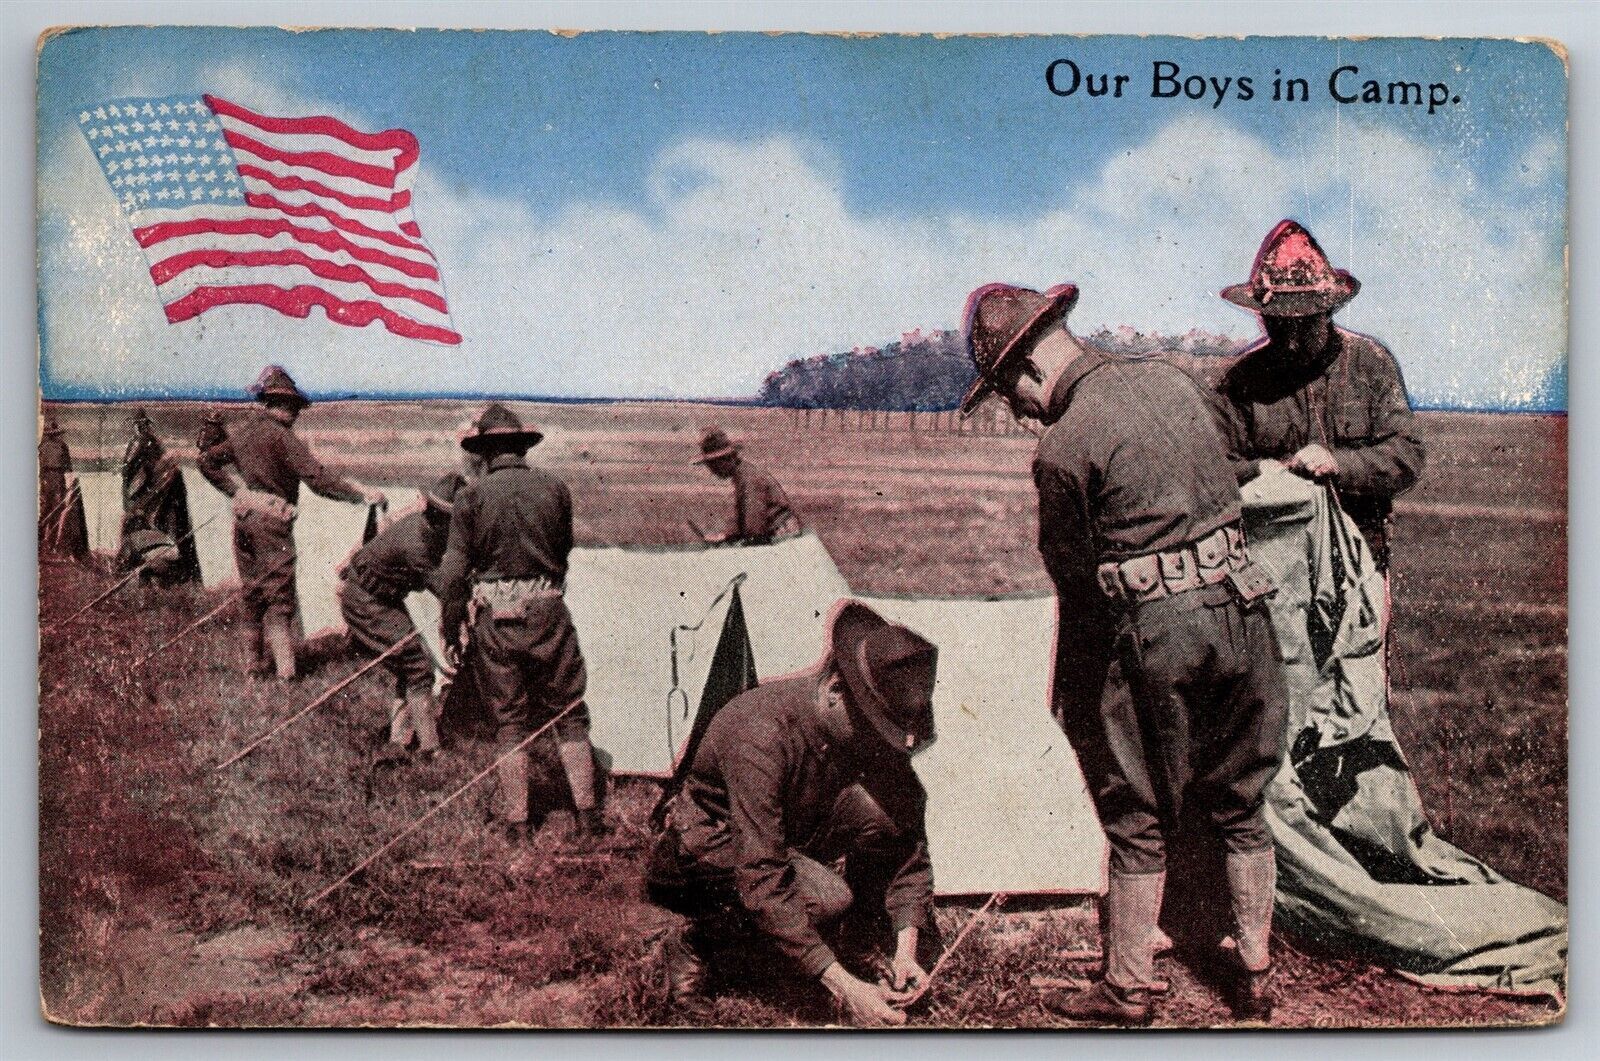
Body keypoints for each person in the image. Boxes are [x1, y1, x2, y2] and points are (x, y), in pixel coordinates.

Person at [959, 282, 1288, 1024]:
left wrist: (1077, 691)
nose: (1014, 412)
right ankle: (1256, 972)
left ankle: (1128, 987)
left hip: (1159, 633)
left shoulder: (1063, 447)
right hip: (1247, 610)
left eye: (1008, 394)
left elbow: (1075, 581)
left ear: (1027, 371)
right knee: (1241, 800)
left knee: (1132, 807)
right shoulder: (1172, 378)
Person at [645, 600, 941, 1027]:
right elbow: (762, 875)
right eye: (873, 726)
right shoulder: (760, 734)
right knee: (828, 898)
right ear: (836, 690)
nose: (880, 741)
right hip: (707, 848)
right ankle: (699, 945)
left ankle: (850, 935)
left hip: (784, 836)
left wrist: (906, 950)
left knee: (885, 812)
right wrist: (845, 987)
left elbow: (909, 841)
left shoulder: (858, 718)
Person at [434, 404, 610, 846]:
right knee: (569, 713)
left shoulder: (471, 497)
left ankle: (518, 825)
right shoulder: (555, 488)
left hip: (496, 618)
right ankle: (588, 818)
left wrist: (452, 622)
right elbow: (563, 551)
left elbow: (455, 571)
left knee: (509, 720)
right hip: (549, 611)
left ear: (485, 452)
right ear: (520, 446)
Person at [1213, 220, 1424, 574]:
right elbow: (1212, 470)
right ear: (1261, 317)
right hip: (1270, 562)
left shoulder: (1370, 363)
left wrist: (1338, 464)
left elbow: (1406, 455)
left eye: (1306, 324)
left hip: (1361, 556)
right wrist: (1269, 471)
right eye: (1278, 325)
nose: (1292, 340)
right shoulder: (1240, 380)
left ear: (1328, 313)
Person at [199, 366, 385, 681]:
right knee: (280, 598)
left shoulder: (244, 432)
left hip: (244, 518)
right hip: (272, 525)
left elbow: (206, 461)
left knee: (253, 593)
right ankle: (286, 675)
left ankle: (253, 667)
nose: (296, 414)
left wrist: (237, 491)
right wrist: (361, 494)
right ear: (286, 406)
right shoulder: (283, 438)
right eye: (295, 408)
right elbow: (319, 479)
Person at [339, 473, 466, 763]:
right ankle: (430, 749)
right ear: (440, 516)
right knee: (418, 668)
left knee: (408, 665)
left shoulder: (428, 530)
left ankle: (400, 739)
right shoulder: (417, 544)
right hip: (367, 601)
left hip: (381, 597)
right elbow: (446, 591)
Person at [120, 407, 201, 584]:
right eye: (138, 425)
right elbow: (134, 472)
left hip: (156, 495)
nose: (140, 428)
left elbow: (133, 471)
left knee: (155, 529)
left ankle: (153, 571)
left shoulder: (144, 442)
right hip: (153, 494)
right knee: (159, 530)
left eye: (141, 425)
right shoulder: (146, 442)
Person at [692, 427, 801, 545]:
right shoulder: (742, 475)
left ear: (728, 460)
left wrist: (736, 540)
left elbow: (754, 522)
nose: (713, 471)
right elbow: (741, 516)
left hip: (783, 535)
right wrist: (725, 535)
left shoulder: (749, 479)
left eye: (714, 466)